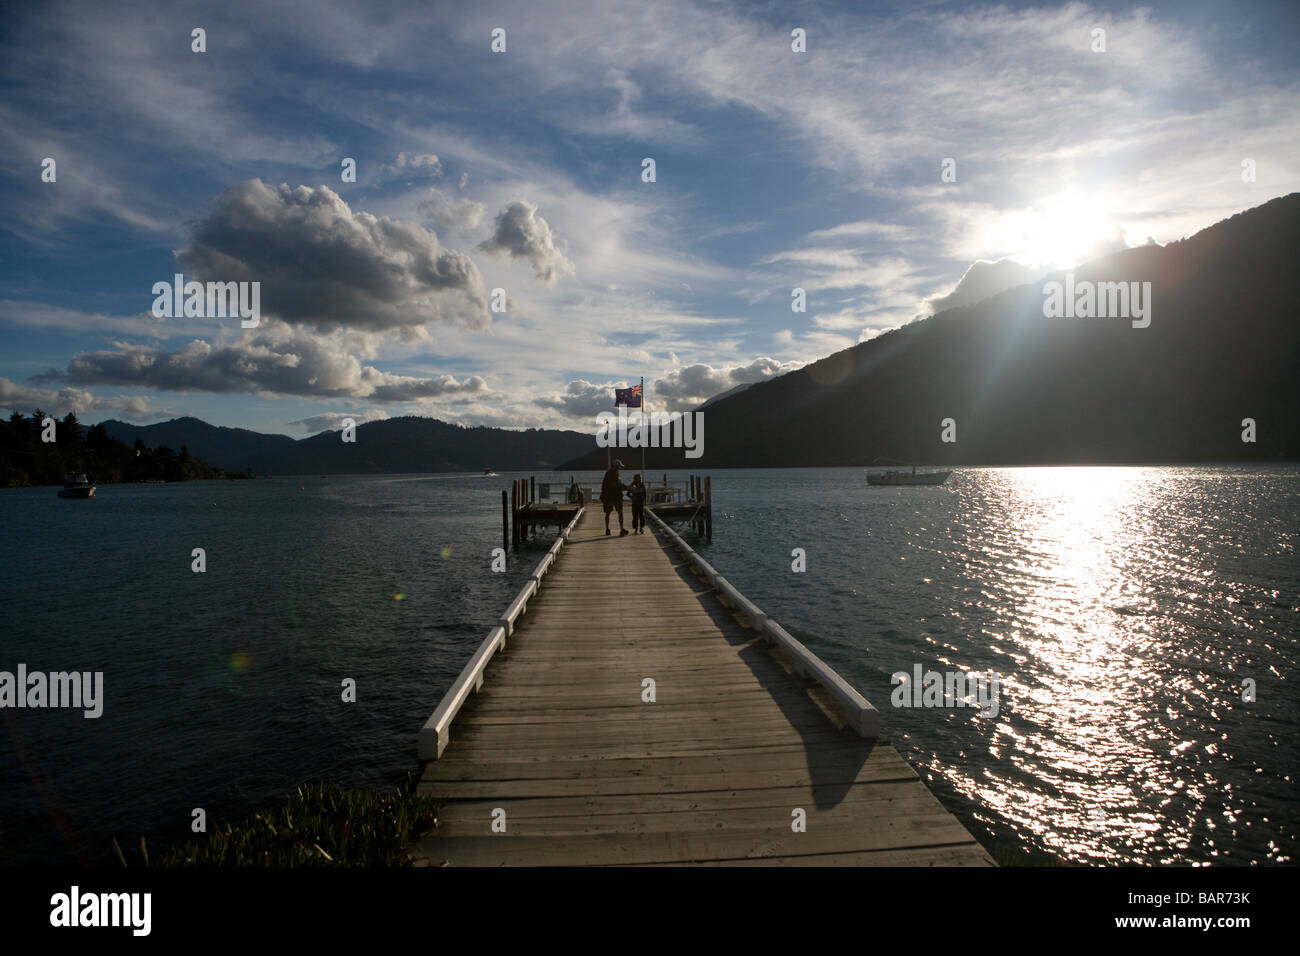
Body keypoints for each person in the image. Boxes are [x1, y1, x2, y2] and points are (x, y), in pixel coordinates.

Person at [600, 460, 629, 536]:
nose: (620, 468)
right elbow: (616, 485)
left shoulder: (610, 474)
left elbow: (615, 485)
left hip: (608, 496)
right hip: (614, 496)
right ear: (615, 466)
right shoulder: (611, 474)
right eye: (619, 466)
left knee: (608, 513)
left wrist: (624, 487)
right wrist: (626, 487)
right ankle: (620, 529)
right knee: (619, 512)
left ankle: (608, 529)